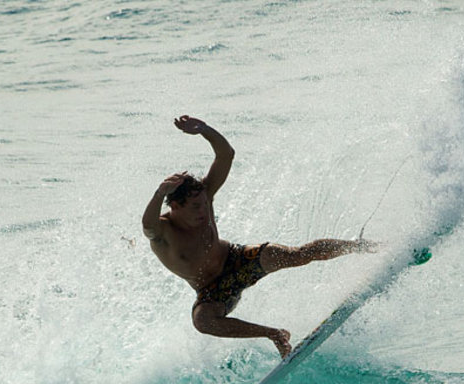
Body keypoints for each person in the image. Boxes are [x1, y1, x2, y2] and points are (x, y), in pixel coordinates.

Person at [142, 115, 374, 358]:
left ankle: (362, 246)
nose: (203, 211)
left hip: (237, 259)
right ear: (175, 206)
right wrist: (159, 192)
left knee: (296, 254)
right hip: (214, 290)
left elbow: (225, 155)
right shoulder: (162, 229)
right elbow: (147, 227)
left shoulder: (204, 195)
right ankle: (274, 333)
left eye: (204, 204)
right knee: (203, 322)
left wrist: (204, 130)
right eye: (195, 207)